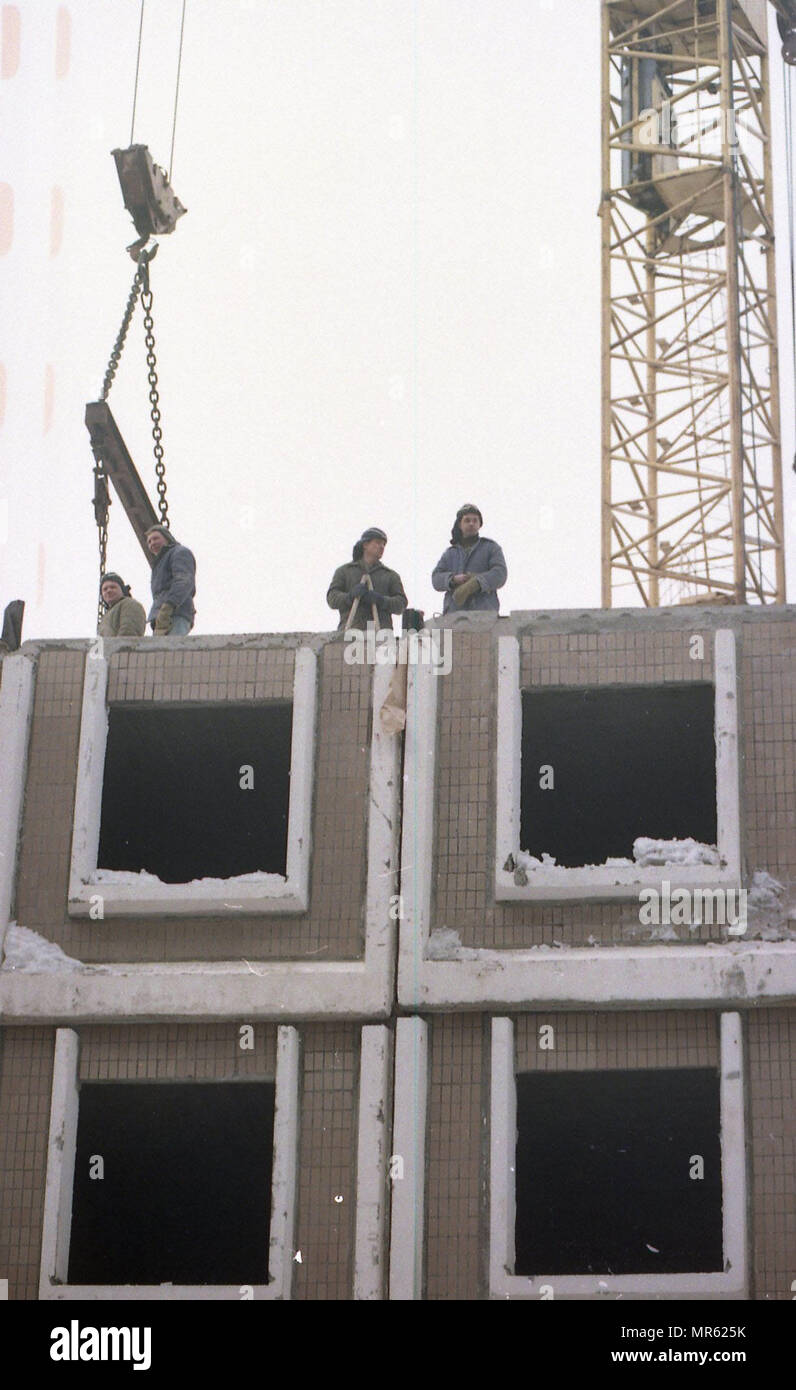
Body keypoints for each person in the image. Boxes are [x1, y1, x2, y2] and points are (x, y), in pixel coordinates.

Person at [327, 527, 408, 632]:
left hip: (381, 636)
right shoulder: (344, 571)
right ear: (365, 545)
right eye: (378, 543)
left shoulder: (391, 576)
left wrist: (382, 600)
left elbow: (401, 604)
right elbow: (332, 598)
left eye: (384, 544)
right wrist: (350, 597)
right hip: (350, 635)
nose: (382, 547)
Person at [431, 504, 507, 613]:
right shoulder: (450, 554)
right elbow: (436, 578)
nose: (471, 523)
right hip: (454, 615)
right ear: (459, 524)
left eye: (475, 520)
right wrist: (453, 579)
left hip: (484, 615)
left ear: (480, 524)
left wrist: (476, 583)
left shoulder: (491, 548)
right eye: (467, 520)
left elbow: (500, 574)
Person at [145, 525, 196, 636]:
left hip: (176, 613)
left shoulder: (179, 552)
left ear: (167, 538)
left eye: (155, 538)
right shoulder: (159, 564)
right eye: (149, 541)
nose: (152, 543)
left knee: (174, 650)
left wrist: (169, 605)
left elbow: (184, 580)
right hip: (161, 616)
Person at [98, 572, 147, 637]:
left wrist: (117, 646)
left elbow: (129, 632)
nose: (108, 591)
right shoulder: (106, 616)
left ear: (122, 590)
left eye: (113, 587)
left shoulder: (129, 604)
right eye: (105, 589)